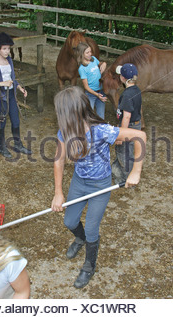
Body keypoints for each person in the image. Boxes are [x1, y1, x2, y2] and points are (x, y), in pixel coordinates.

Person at [51, 86, 146, 289]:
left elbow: (140, 137)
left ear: (74, 112)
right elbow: (59, 160)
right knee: (69, 221)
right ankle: (80, 238)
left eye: (61, 113)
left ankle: (89, 265)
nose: (59, 117)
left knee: (92, 228)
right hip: (79, 182)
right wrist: (58, 193)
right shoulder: (65, 131)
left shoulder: (101, 130)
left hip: (99, 186)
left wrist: (135, 171)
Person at [0, 32, 31, 158]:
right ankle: (2, 146)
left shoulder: (9, 60)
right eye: (4, 49)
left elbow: (13, 79)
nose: (7, 51)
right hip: (0, 96)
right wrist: (2, 83)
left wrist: (20, 88)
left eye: (8, 49)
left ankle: (17, 144)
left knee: (15, 120)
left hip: (11, 94)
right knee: (2, 121)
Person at [111, 63, 143, 185]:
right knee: (125, 151)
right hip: (135, 124)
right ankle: (116, 171)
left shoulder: (127, 95)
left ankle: (125, 180)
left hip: (129, 126)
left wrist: (121, 135)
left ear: (123, 78)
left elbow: (127, 116)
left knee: (124, 152)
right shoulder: (136, 90)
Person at [77, 42, 107, 119]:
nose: (90, 54)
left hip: (101, 91)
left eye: (90, 51)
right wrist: (97, 95)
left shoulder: (94, 59)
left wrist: (104, 64)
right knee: (88, 116)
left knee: (101, 116)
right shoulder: (82, 69)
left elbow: (101, 64)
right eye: (87, 52)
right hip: (91, 94)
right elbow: (86, 87)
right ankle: (88, 130)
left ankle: (100, 129)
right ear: (81, 54)